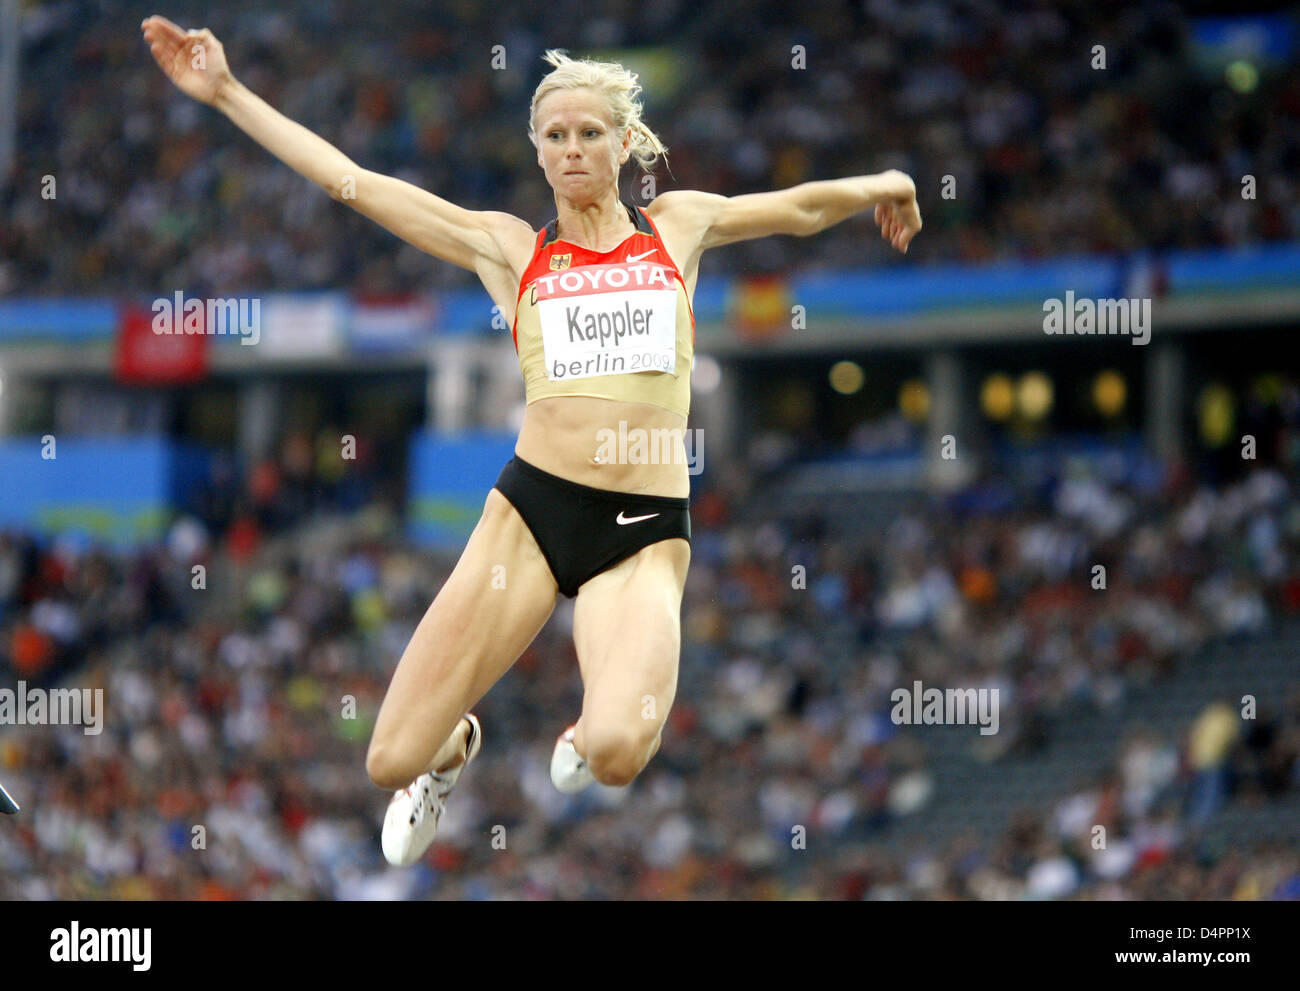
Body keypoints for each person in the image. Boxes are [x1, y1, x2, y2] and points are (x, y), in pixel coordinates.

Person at [140, 16, 922, 866]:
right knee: (388, 756)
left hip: (642, 532)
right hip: (531, 514)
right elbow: (352, 182)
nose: (574, 149)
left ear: (624, 144)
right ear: (539, 152)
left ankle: (589, 729)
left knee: (617, 752)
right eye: (556, 136)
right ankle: (446, 756)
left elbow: (800, 208)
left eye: (591, 133)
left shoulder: (677, 229)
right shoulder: (512, 250)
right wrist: (226, 93)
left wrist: (886, 181)